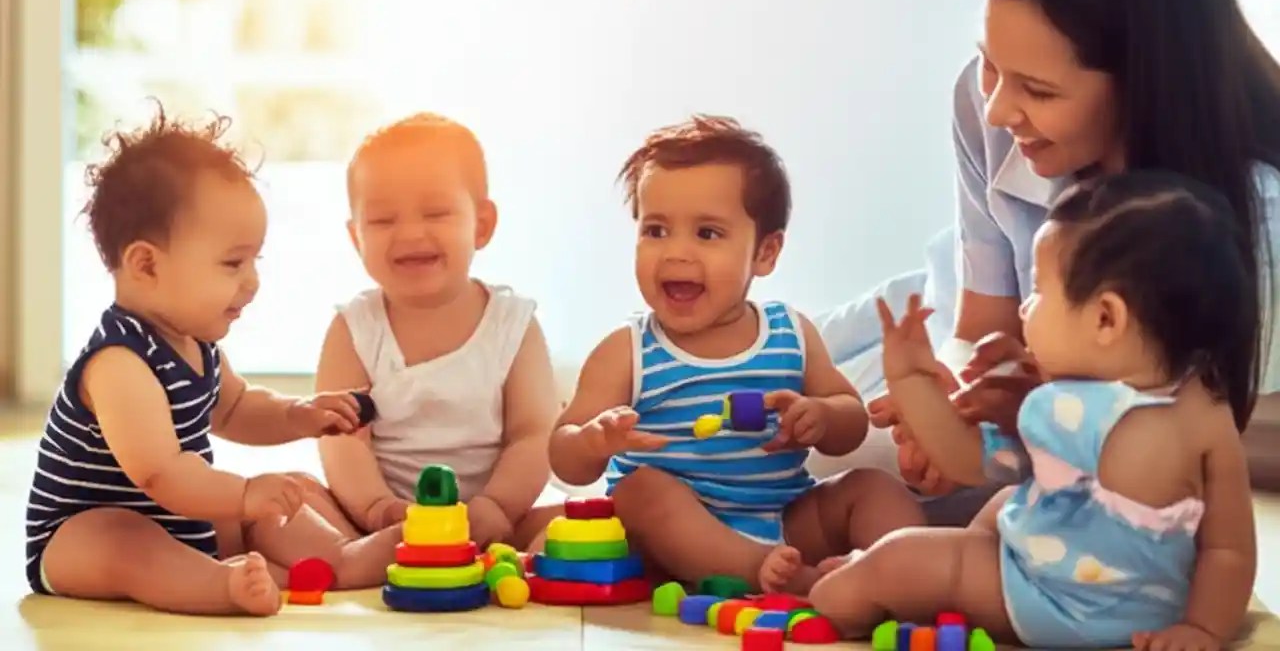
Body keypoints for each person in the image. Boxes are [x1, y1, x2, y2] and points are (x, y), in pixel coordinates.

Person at [811, 0, 1280, 523]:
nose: (1000, 110)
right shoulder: (985, 107)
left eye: (1037, 90)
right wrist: (953, 401)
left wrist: (1033, 403)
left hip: (1060, 427)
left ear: (1141, 82)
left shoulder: (1251, 220)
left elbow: (1181, 446)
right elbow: (980, 325)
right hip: (920, 319)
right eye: (989, 63)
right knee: (759, 403)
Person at [810, 171, 1259, 650]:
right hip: (1152, 613)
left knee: (901, 559)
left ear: (1105, 319)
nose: (1025, 308)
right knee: (1013, 503)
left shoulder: (1064, 408)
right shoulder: (1210, 416)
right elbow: (1228, 548)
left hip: (1044, 599)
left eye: (1040, 290)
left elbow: (962, 459)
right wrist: (1201, 629)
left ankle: (844, 590)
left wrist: (910, 380)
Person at [24, 108, 404, 616]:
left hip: (183, 522)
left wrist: (297, 415)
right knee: (126, 538)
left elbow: (236, 409)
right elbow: (161, 474)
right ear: (147, 264)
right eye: (232, 263)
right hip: (79, 539)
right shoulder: (118, 362)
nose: (251, 282)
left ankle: (336, 558)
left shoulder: (195, 345)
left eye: (254, 262)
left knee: (277, 499)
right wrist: (244, 493)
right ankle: (219, 587)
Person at [549, 115, 924, 595]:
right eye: (656, 230)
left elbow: (851, 420)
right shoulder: (627, 350)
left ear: (765, 254)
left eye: (706, 234)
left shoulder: (790, 333)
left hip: (786, 518)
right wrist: (591, 441)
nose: (676, 253)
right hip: (677, 537)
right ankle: (789, 581)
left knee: (872, 488)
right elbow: (564, 456)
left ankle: (903, 579)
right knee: (640, 490)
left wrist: (821, 417)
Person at [315, 113, 562, 551]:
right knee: (289, 497)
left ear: (481, 225)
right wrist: (376, 509)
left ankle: (517, 558)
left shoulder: (512, 324)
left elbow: (534, 433)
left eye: (436, 212)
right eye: (383, 220)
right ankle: (353, 559)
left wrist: (499, 507)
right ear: (356, 238)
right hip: (382, 527)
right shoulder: (353, 328)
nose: (410, 232)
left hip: (492, 521)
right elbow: (343, 441)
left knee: (590, 518)